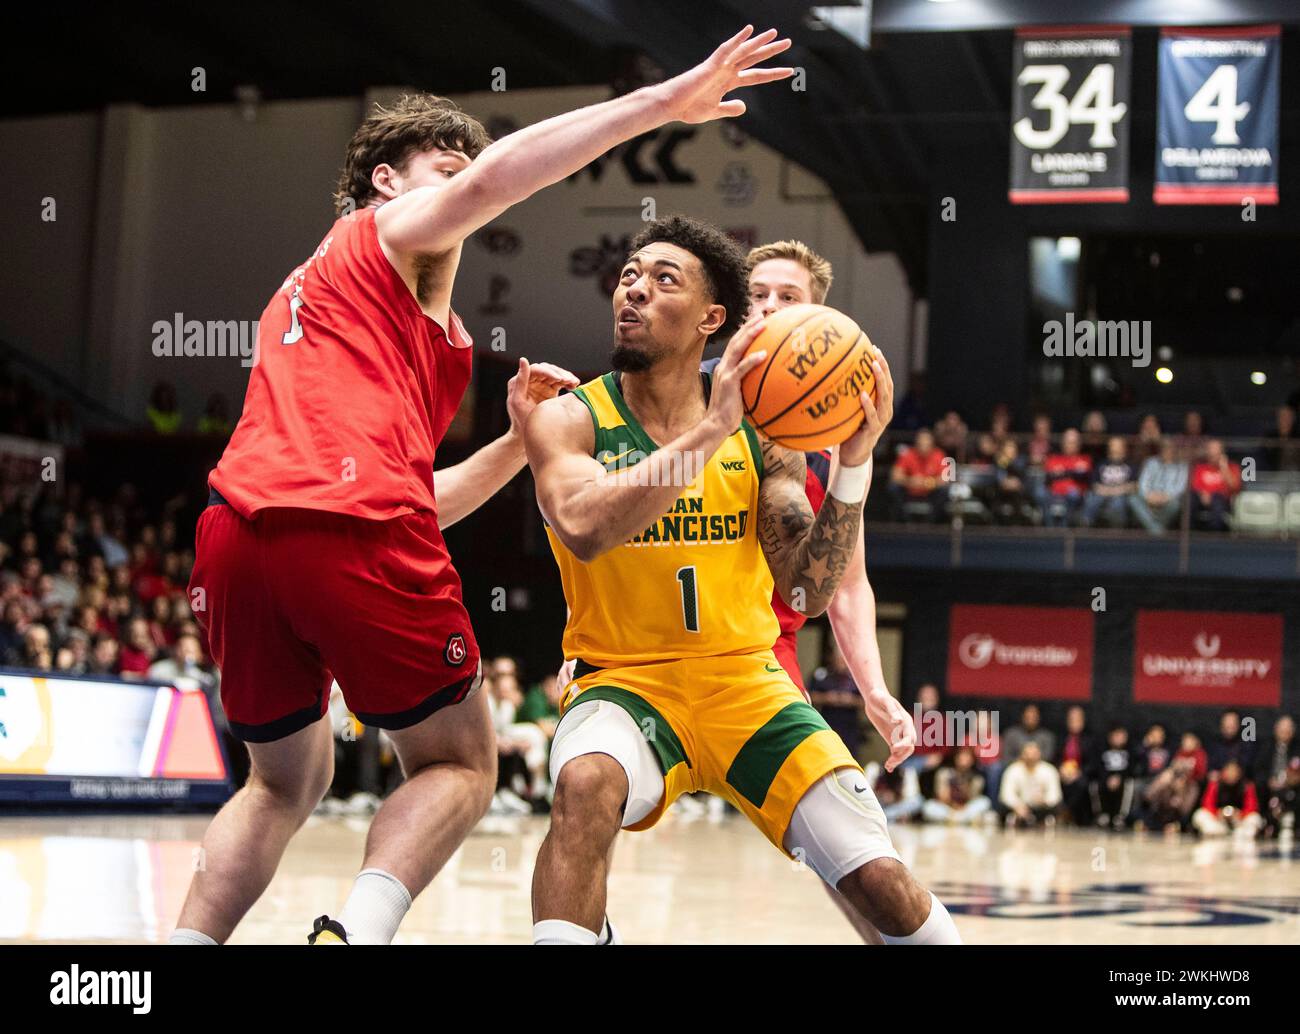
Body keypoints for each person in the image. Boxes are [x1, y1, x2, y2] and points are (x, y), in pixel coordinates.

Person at [172, 26, 788, 947]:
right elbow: (504, 178)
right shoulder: (375, 234)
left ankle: (177, 951)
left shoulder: (341, 305)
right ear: (386, 181)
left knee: (282, 783)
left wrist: (511, 443)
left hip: (236, 535)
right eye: (441, 166)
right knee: (460, 762)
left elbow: (420, 497)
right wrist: (666, 103)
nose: (464, 180)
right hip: (349, 535)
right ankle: (355, 932)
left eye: (464, 164)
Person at [524, 215, 960, 945]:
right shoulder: (569, 418)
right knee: (583, 782)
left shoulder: (765, 440)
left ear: (710, 320)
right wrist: (709, 429)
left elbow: (805, 594)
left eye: (665, 280)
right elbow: (584, 526)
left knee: (880, 882)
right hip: (624, 682)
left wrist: (855, 462)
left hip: (746, 682)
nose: (634, 290)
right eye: (629, 274)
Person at [1129, 438, 1188, 534]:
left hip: (1169, 499)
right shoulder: (1151, 462)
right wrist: (1148, 496)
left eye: (1170, 449)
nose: (1167, 451)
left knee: (1176, 504)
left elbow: (1181, 488)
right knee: (1133, 499)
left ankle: (1153, 528)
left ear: (1174, 450)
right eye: (1164, 448)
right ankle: (1157, 530)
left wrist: (1165, 497)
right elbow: (1143, 483)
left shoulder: (1181, 466)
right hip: (1149, 498)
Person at [888, 429, 948, 522]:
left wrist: (928, 482)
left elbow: (945, 479)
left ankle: (931, 524)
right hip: (909, 491)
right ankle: (903, 523)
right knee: (893, 487)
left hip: (930, 493)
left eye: (926, 443)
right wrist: (909, 481)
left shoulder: (939, 455)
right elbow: (895, 475)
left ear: (932, 444)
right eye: (921, 443)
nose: (923, 446)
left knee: (944, 491)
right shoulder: (908, 454)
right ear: (916, 443)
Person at [998, 742, 1062, 828]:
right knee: (1002, 808)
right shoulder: (1012, 770)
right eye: (1027, 754)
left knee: (1057, 808)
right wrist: (1017, 805)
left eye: (1034, 754)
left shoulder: (1049, 770)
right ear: (1022, 754)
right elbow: (1006, 794)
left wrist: (1045, 801)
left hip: (1041, 807)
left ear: (1039, 754)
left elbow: (1055, 794)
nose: (1030, 757)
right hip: (1018, 807)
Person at [1036, 428, 1092, 527]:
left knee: (1072, 494)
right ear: (1063, 443)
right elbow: (1049, 476)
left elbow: (1083, 476)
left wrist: (1062, 473)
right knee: (1040, 492)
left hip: (1074, 495)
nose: (1070, 445)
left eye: (1073, 442)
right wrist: (1071, 473)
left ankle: (1064, 531)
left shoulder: (1085, 459)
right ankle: (1050, 529)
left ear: (1079, 444)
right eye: (1067, 442)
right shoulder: (1054, 459)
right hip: (1054, 494)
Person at [922, 747, 991, 825]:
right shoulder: (944, 773)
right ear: (955, 758)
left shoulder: (976, 779)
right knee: (928, 806)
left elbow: (973, 799)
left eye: (967, 757)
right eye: (961, 756)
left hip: (965, 808)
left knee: (984, 802)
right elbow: (941, 797)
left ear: (972, 760)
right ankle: (961, 819)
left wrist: (966, 787)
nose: (963, 759)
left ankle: (957, 819)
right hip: (947, 808)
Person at [1192, 761, 1262, 838]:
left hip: (1239, 821)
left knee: (1255, 818)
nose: (1231, 774)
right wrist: (1218, 813)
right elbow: (1207, 803)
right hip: (1219, 820)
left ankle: (1240, 833)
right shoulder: (1216, 785)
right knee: (1200, 814)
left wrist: (1240, 814)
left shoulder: (1247, 786)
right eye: (1229, 771)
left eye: (1234, 771)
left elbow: (1252, 806)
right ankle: (1217, 832)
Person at [1081, 435, 1135, 528]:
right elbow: (1094, 485)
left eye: (1118, 450)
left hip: (1121, 495)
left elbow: (1133, 486)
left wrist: (1113, 491)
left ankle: (1117, 532)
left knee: (1118, 501)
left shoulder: (1130, 465)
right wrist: (1111, 490)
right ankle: (1085, 525)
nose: (1116, 452)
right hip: (1101, 493)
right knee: (1092, 498)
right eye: (1113, 450)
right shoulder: (1101, 464)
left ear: (1124, 450)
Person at [1189, 439, 1240, 531]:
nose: (1212, 453)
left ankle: (1213, 535)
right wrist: (1202, 493)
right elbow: (1194, 485)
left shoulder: (1232, 467)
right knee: (1190, 499)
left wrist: (1224, 468)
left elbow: (1235, 487)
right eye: (1210, 450)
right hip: (1201, 498)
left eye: (1216, 450)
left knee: (1217, 499)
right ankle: (1191, 532)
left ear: (1222, 453)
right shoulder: (1200, 467)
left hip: (1221, 500)